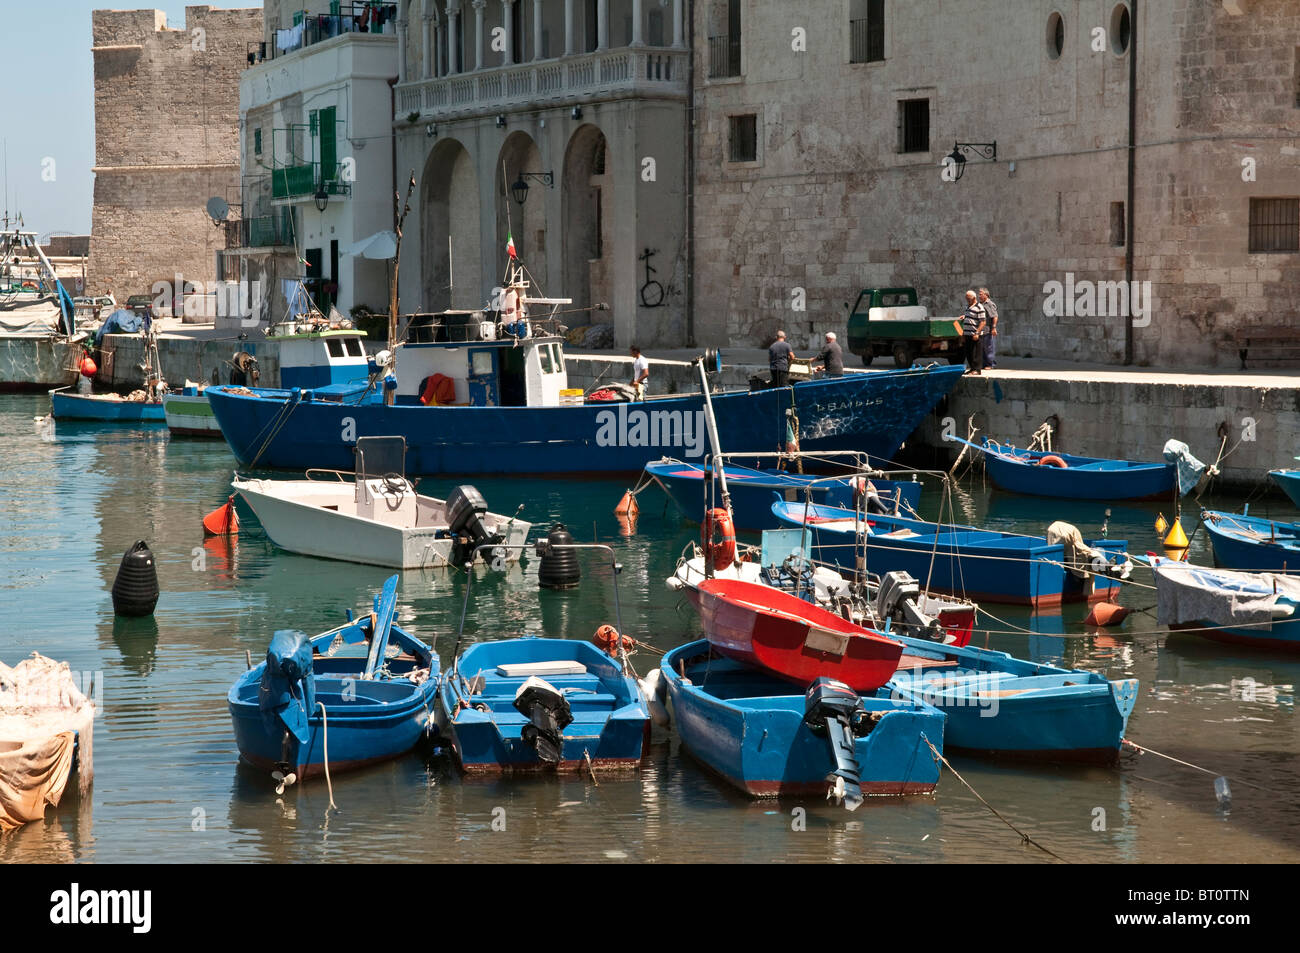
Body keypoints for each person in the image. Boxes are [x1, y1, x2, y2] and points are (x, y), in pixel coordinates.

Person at [960, 290, 985, 375]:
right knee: (969, 353)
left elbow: (983, 321)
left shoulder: (979, 307)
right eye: (966, 298)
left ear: (974, 298)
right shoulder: (968, 307)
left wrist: (977, 333)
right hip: (967, 334)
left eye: (968, 298)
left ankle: (977, 370)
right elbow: (970, 316)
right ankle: (972, 368)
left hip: (975, 334)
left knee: (976, 353)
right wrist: (965, 316)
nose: (967, 300)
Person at [978, 287, 999, 369]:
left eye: (981, 294)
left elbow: (995, 316)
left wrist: (993, 327)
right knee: (982, 348)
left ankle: (991, 364)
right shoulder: (980, 304)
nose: (979, 296)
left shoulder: (989, 304)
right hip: (981, 330)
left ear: (986, 295)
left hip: (988, 329)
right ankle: (984, 364)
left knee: (989, 348)